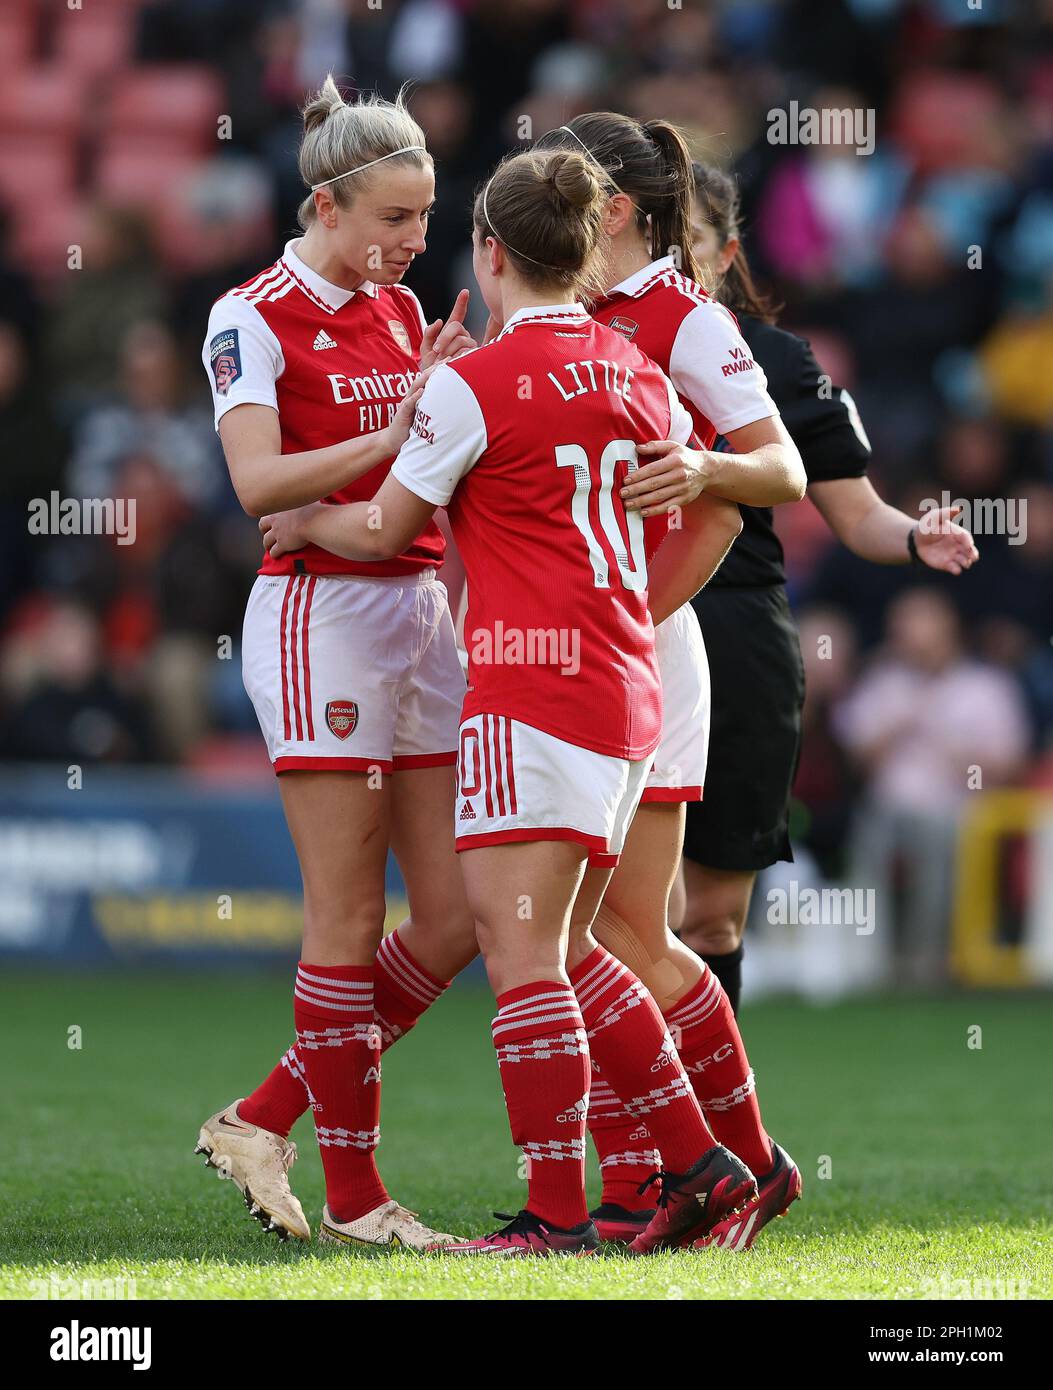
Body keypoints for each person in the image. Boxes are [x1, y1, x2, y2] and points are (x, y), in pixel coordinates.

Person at [260, 146, 756, 1257]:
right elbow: (708, 496)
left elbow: (390, 528)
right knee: (580, 944)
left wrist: (306, 526)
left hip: (528, 687)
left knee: (523, 950)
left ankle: (558, 1215)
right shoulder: (635, 370)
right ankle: (708, 1163)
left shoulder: (470, 384)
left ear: (489, 250)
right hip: (630, 687)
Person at [195, 76, 483, 1252]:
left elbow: (419, 466)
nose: (414, 243)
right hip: (323, 615)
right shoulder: (250, 312)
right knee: (350, 913)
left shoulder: (399, 312)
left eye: (423, 220)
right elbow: (258, 485)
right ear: (328, 204)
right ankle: (361, 1198)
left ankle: (264, 1115)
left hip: (418, 605)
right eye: (395, 220)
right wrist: (411, 416)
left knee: (462, 911)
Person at [529, 114, 807, 1249]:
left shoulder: (684, 319)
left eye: (567, 198)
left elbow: (780, 467)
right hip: (585, 637)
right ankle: (669, 1172)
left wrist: (705, 464)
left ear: (620, 213)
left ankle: (732, 1163)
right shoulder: (568, 315)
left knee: (610, 931)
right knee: (610, 928)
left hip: (649, 636)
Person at [674, 164, 978, 1010]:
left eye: (687, 239)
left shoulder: (776, 361)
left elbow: (858, 515)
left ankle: (706, 1132)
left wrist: (917, 535)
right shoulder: (584, 355)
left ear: (725, 252)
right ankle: (633, 1127)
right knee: (630, 916)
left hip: (738, 639)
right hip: (620, 637)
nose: (667, 258)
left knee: (710, 921)